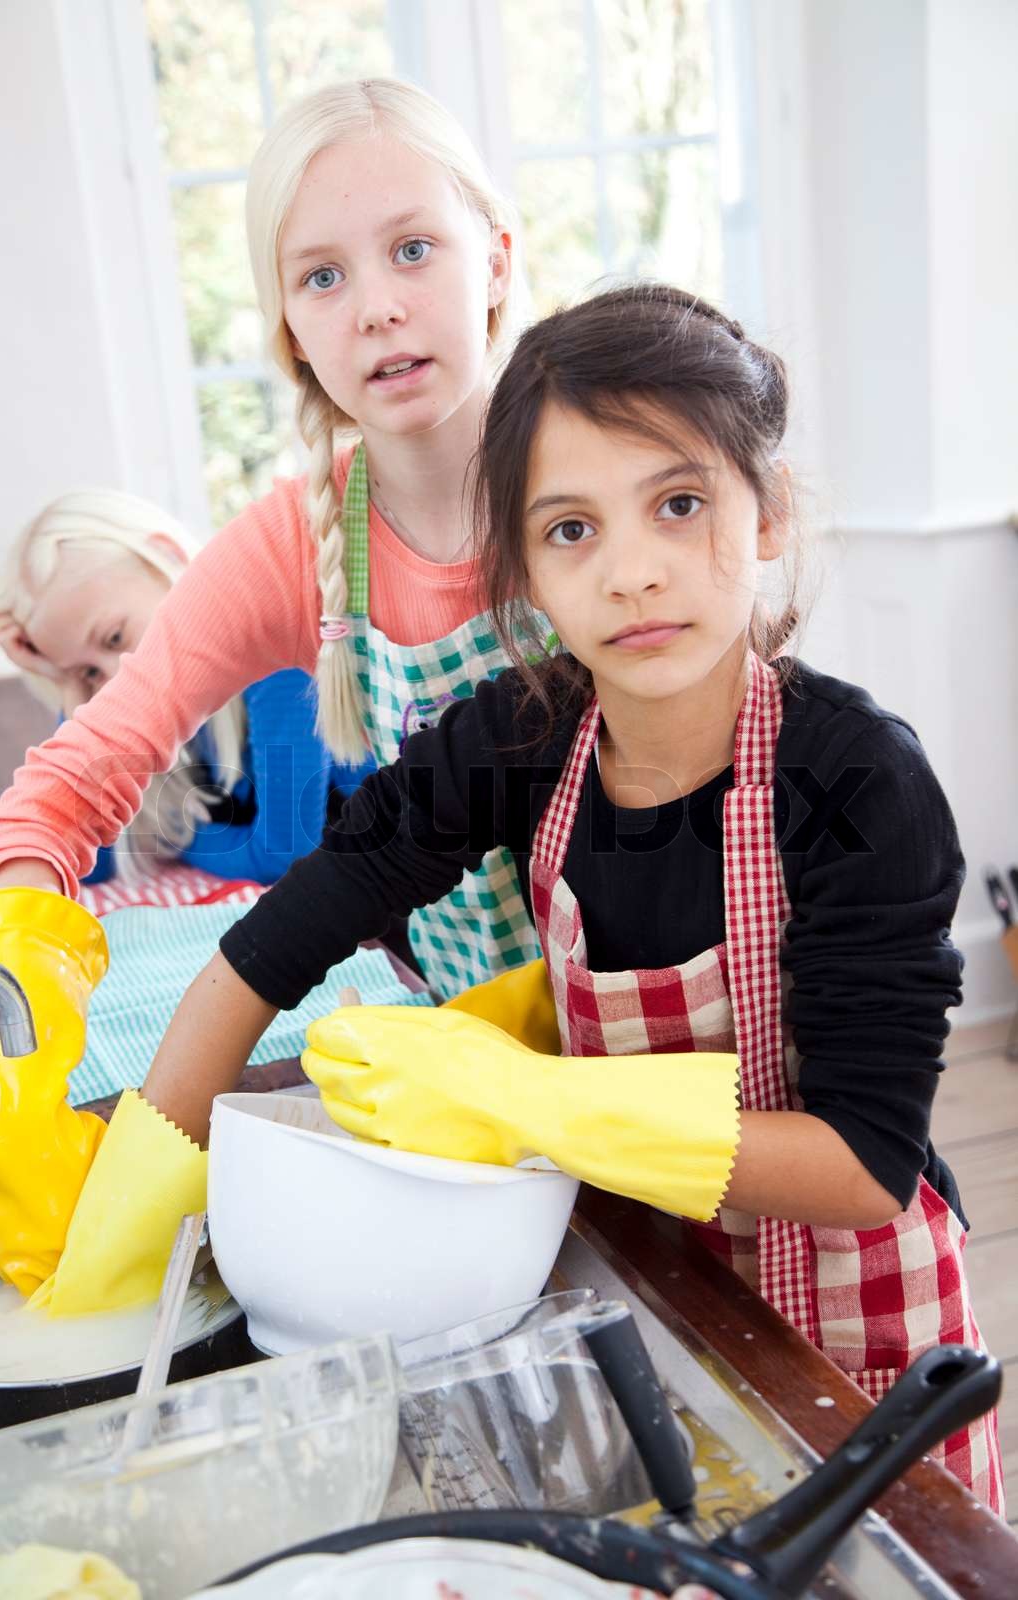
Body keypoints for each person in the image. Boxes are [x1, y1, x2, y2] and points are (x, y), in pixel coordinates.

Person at [136, 284, 1002, 1511]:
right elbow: (275, 946)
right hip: (630, 1282)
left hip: (849, 1317)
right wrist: (150, 1203)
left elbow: (866, 1161)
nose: (633, 572)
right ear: (523, 570)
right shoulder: (522, 739)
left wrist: (528, 1100)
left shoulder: (855, 777)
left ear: (768, 514)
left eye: (679, 504)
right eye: (570, 529)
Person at [0, 77, 542, 996]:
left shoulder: (600, 476)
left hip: (683, 1014)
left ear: (497, 262)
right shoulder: (288, 547)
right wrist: (16, 914)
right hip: (472, 1035)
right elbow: (72, 783)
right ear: (291, 332)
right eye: (322, 276)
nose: (376, 307)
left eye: (413, 249)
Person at [0, 487, 374, 884]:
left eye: (115, 638)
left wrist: (174, 831)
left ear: (169, 558)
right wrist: (68, 688)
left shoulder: (276, 663)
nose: (114, 679)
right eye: (88, 673)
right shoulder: (148, 706)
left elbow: (283, 859)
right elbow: (92, 866)